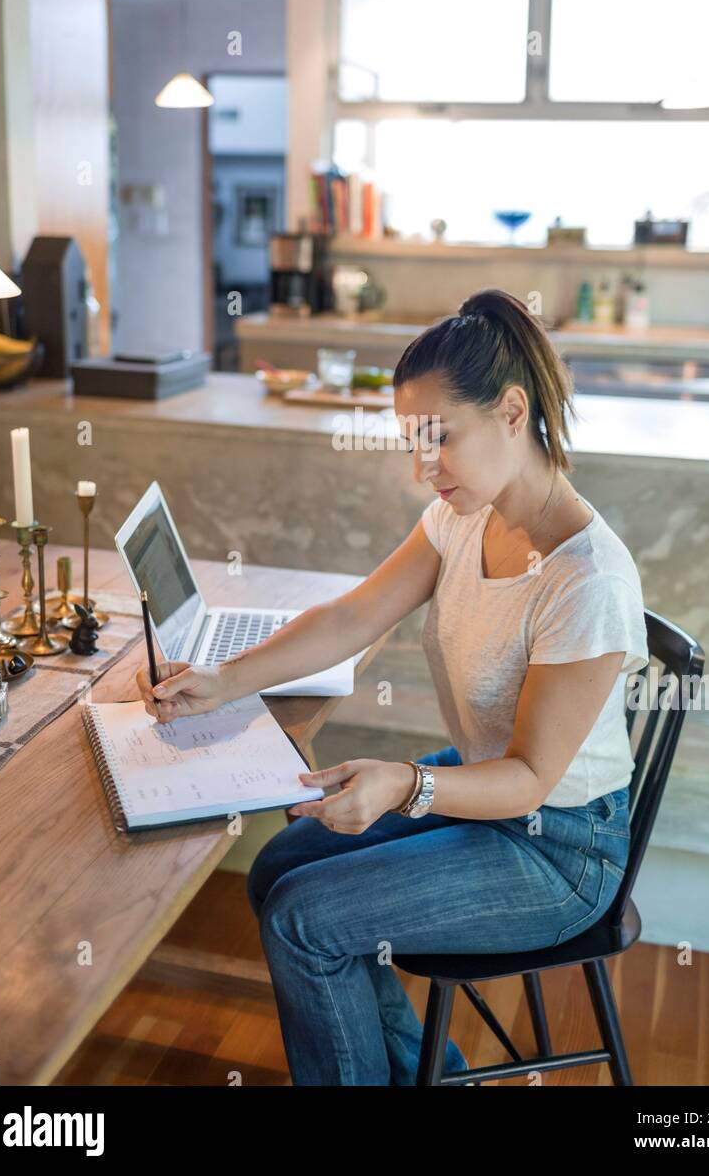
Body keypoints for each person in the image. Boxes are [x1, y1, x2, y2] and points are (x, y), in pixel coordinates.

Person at [136, 287, 649, 1086]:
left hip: (563, 847)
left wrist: (406, 784)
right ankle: (419, 1076)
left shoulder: (587, 582)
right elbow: (355, 614)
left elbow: (528, 781)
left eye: (440, 438)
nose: (423, 469)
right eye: (414, 441)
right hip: (490, 795)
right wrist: (225, 680)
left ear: (513, 412)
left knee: (306, 920)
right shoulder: (464, 515)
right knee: (277, 871)